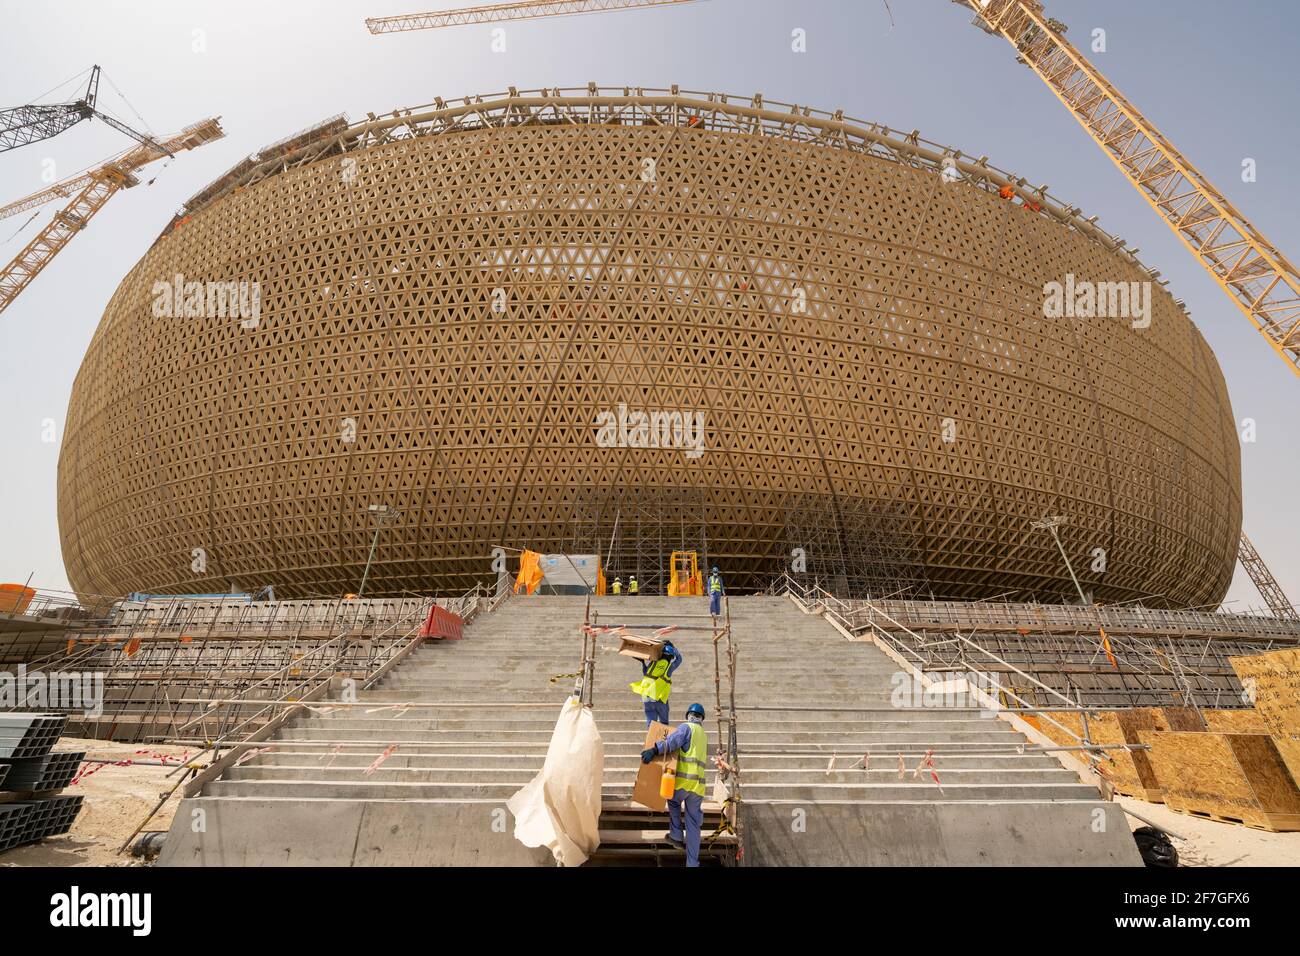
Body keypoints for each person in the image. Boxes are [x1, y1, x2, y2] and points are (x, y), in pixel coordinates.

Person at [642, 702, 709, 867]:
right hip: (698, 788)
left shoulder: (687, 728)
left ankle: (676, 835)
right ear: (702, 718)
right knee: (694, 825)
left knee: (672, 801)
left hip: (682, 783)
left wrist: (654, 750)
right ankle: (692, 863)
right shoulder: (703, 734)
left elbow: (672, 742)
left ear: (689, 715)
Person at [629, 641, 682, 726]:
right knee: (663, 723)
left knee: (651, 722)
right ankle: (662, 738)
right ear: (671, 656)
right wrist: (677, 652)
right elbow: (679, 660)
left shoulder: (653, 663)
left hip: (646, 696)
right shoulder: (669, 667)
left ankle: (651, 738)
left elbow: (646, 674)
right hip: (659, 697)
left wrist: (643, 663)